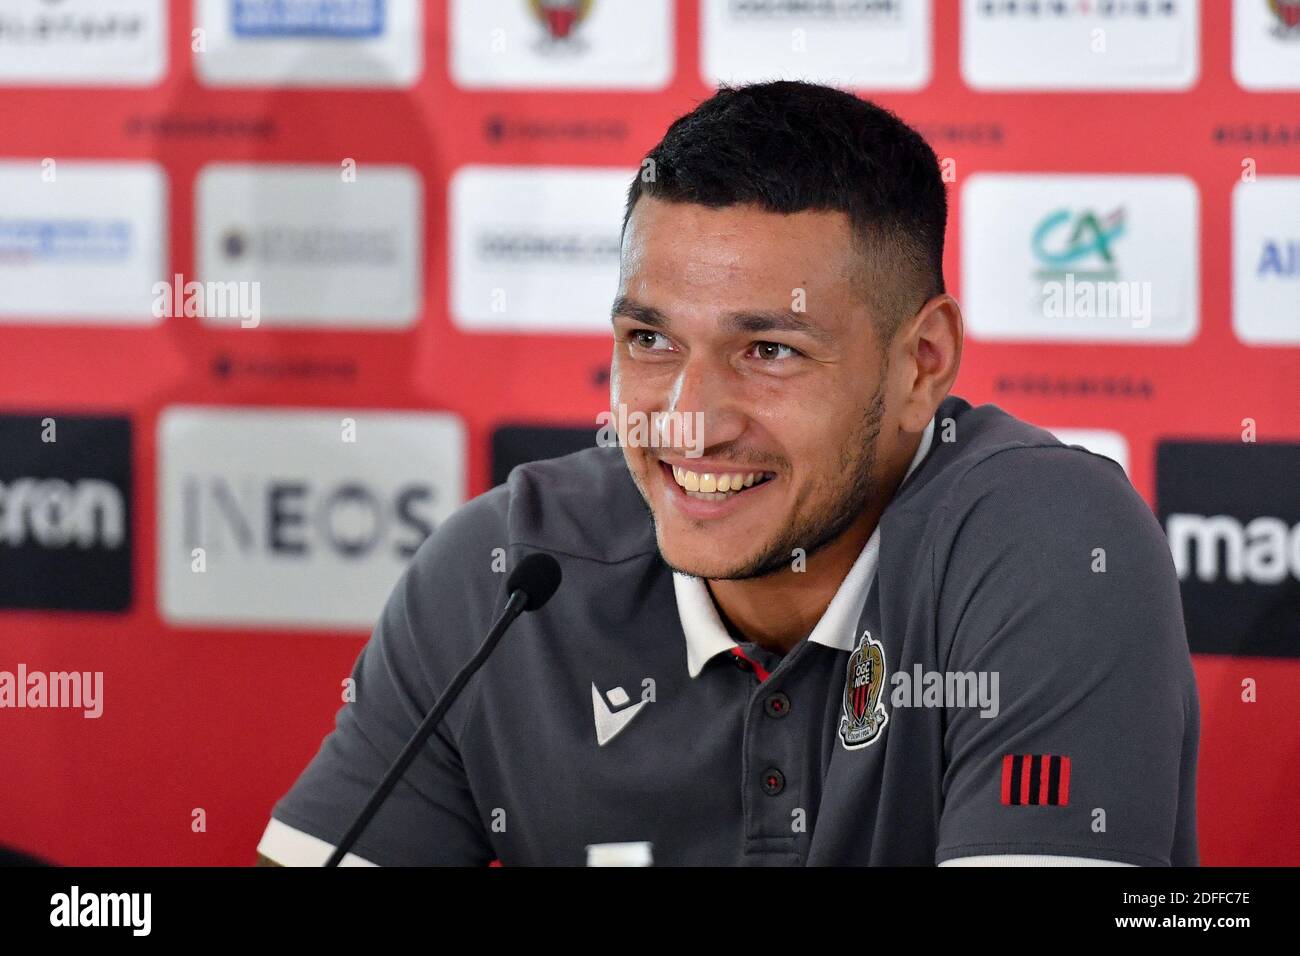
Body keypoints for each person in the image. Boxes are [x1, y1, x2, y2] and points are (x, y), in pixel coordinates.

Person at [257, 80, 1198, 866]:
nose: (688, 420)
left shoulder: (1051, 545)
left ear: (922, 363)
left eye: (771, 350)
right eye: (652, 339)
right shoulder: (504, 576)